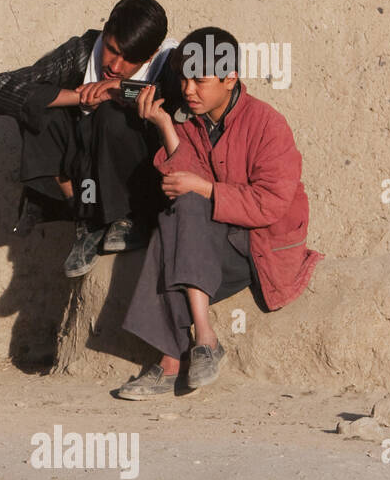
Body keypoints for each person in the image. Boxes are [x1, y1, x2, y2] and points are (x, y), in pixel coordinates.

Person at [117, 27, 322, 399]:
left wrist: (205, 189)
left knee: (178, 223)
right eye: (184, 79)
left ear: (230, 78)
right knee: (175, 217)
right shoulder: (190, 121)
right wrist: (164, 125)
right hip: (209, 244)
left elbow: (271, 204)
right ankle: (203, 341)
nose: (188, 90)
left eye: (200, 80)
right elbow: (185, 183)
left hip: (257, 248)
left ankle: (171, 362)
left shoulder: (267, 125)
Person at [0, 0, 179, 277]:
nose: (114, 64)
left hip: (143, 180)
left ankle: (130, 218)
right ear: (105, 33)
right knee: (44, 109)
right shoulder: (82, 51)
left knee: (114, 113)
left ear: (150, 56)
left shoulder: (169, 62)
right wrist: (77, 97)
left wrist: (121, 89)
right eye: (112, 49)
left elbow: (183, 101)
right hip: (86, 179)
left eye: (129, 60)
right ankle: (86, 221)